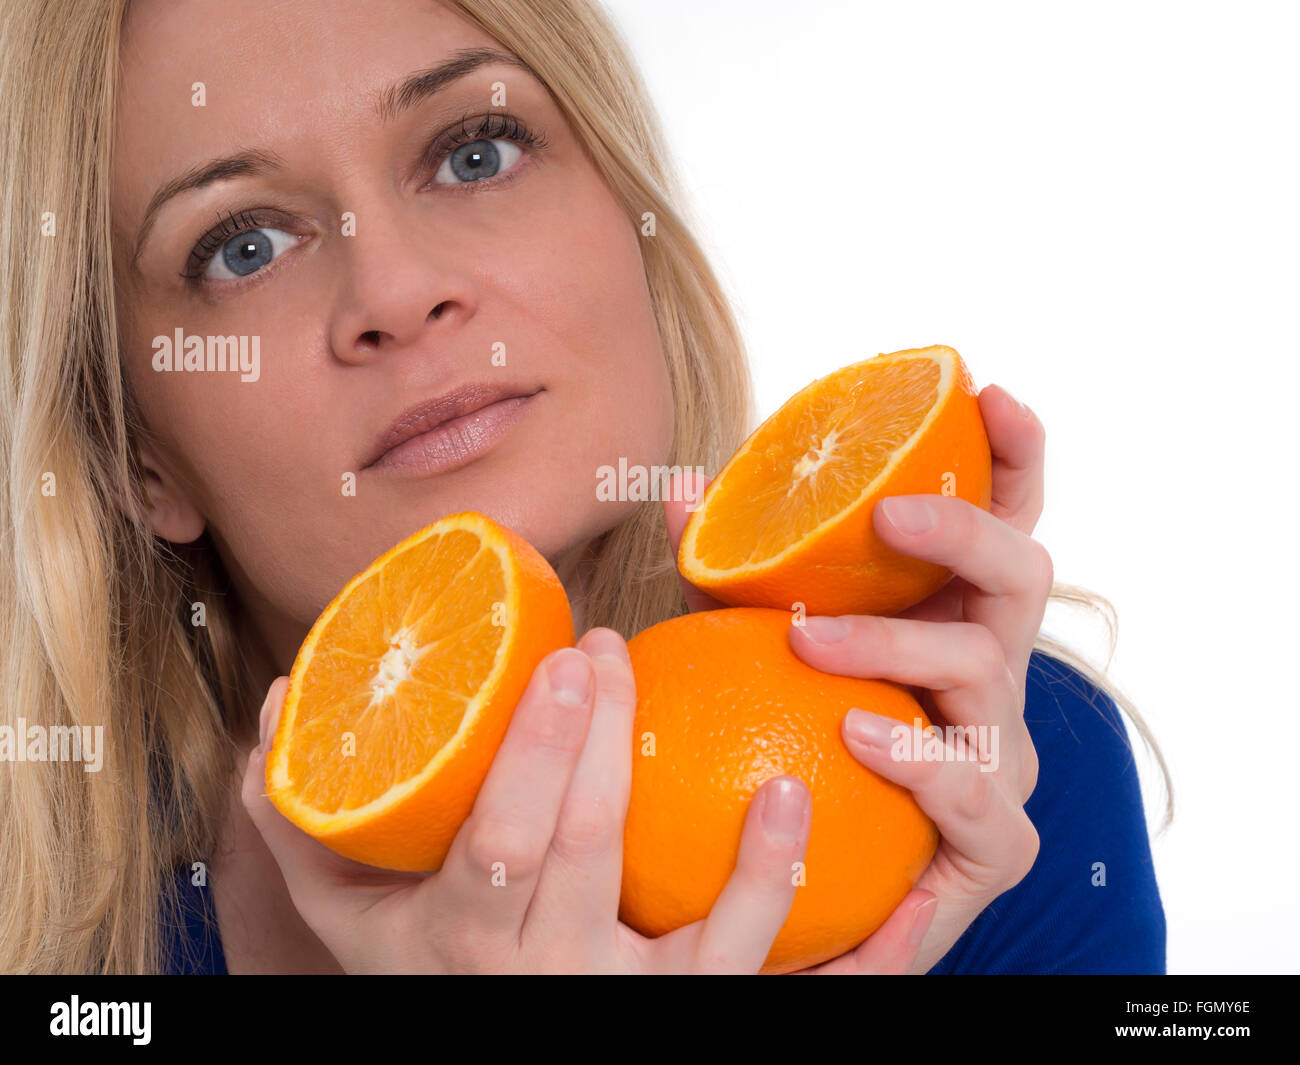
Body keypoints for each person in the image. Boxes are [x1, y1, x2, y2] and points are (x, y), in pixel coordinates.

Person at [0, 0, 1171, 974]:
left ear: (631, 214)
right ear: (133, 455)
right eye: (242, 246)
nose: (398, 293)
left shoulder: (988, 786)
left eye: (474, 152)